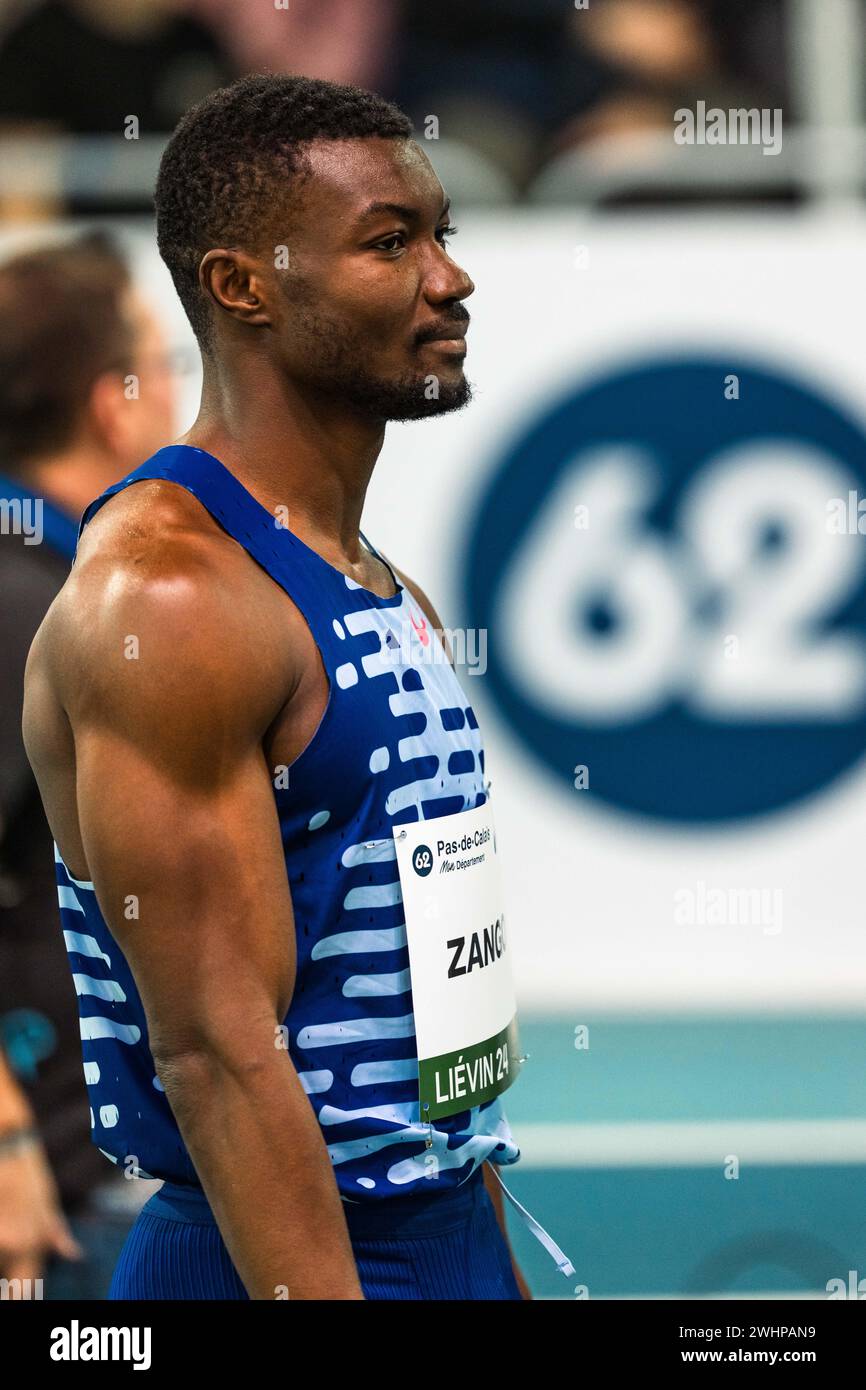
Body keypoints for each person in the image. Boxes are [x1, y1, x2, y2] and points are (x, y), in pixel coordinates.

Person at [23, 74, 534, 1301]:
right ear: (241, 286)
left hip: (442, 1230)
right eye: (389, 242)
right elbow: (216, 1055)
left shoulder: (372, 581)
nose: (447, 278)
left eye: (441, 235)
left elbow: (432, 1031)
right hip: (276, 1264)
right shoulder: (173, 598)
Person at [0, 230, 178, 1296]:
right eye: (162, 364)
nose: (174, 396)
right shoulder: (23, 602)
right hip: (46, 1200)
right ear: (113, 401)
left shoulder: (52, 580)